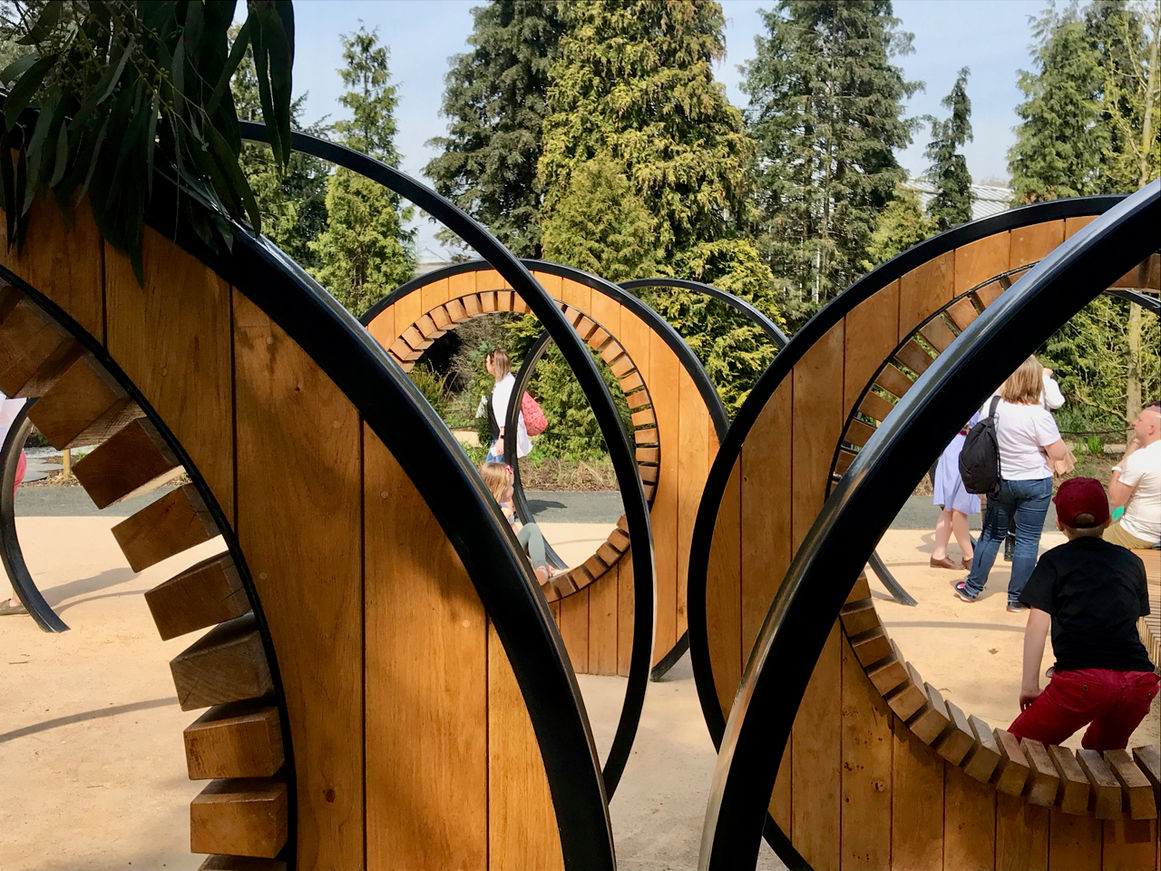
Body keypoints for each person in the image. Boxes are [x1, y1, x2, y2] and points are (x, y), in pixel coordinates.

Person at [1008, 477, 1158, 750]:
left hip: (1084, 681)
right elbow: (1131, 621)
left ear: (1060, 524)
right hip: (1139, 681)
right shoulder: (1132, 562)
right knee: (1104, 757)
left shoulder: (1054, 562)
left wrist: (1029, 685)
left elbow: (1037, 625)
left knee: (1017, 748)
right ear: (1109, 521)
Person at [954, 355, 1073, 611]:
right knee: (1028, 540)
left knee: (990, 536)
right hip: (1034, 482)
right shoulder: (1039, 416)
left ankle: (972, 588)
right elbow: (1059, 453)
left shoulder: (993, 407)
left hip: (1001, 481)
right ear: (1035, 381)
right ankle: (1017, 599)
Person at [1004, 367, 1065, 561]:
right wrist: (1046, 379)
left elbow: (1057, 402)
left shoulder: (1003, 406)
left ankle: (974, 584)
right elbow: (1057, 402)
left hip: (1016, 462)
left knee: (995, 529)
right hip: (1034, 460)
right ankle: (1012, 543)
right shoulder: (1037, 412)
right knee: (1028, 536)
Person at [480, 461, 555, 586]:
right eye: (510, 486)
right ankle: (536, 569)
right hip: (496, 558)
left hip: (508, 553)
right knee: (529, 530)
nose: (513, 489)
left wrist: (534, 560)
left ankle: (540, 567)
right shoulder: (487, 510)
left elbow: (515, 541)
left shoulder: (504, 508)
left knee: (531, 529)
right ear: (500, 487)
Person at [1104, 402, 1160, 549]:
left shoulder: (1141, 458)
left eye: (1140, 420)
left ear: (1151, 428)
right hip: (1155, 530)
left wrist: (1117, 468)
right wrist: (1137, 441)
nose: (1134, 423)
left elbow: (1116, 501)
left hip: (1139, 533)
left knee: (1088, 545)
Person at [930, 414, 979, 569]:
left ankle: (939, 554)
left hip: (955, 449)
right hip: (961, 451)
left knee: (950, 509)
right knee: (959, 509)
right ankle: (969, 556)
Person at [0, 391, 28, 615]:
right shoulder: (19, 388)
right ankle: (18, 597)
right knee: (5, 529)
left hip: (1, 459)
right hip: (16, 458)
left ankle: (19, 597)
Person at [484, 348, 531, 464]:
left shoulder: (505, 386)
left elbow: (506, 413)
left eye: (487, 361)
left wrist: (502, 439)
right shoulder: (503, 383)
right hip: (500, 437)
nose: (485, 364)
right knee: (498, 476)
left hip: (503, 439)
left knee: (493, 477)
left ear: (494, 364)